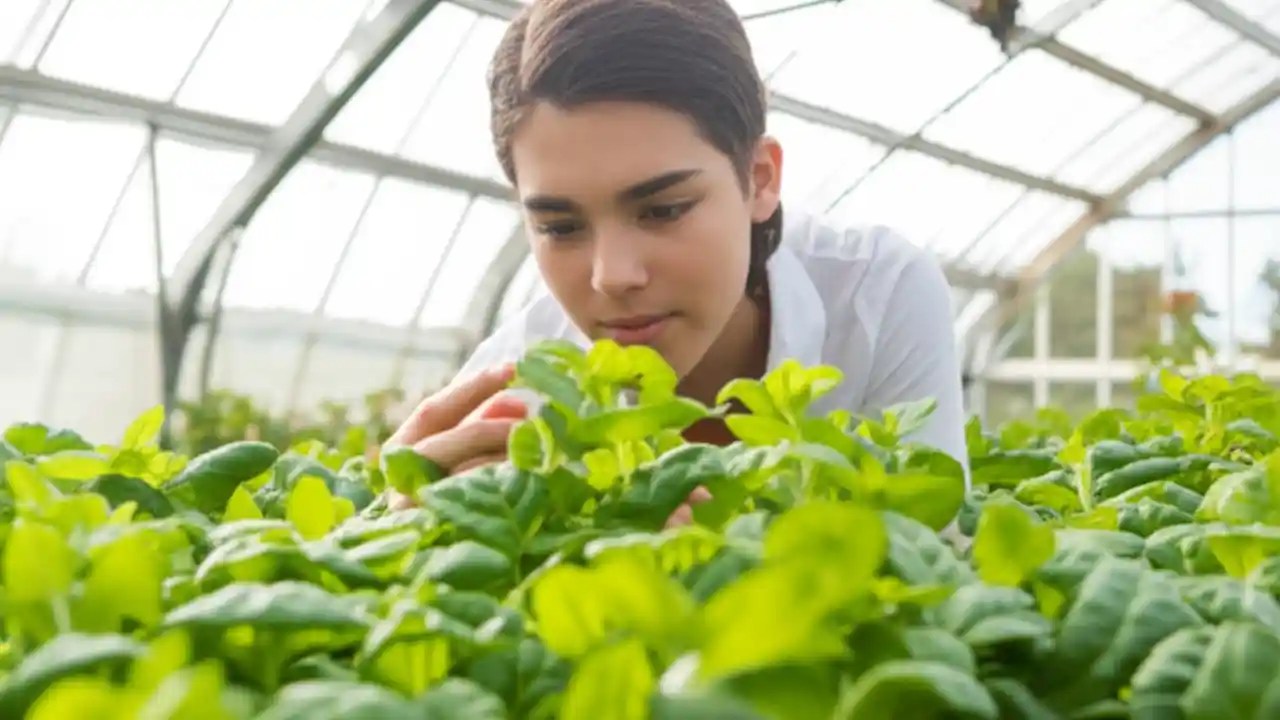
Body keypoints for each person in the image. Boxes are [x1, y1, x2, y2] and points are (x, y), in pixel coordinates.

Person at [385, 0, 969, 515]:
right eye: (560, 226)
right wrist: (407, 522)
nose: (612, 276)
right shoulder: (520, 383)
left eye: (663, 210)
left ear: (760, 179)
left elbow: (932, 557)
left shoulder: (875, 295)